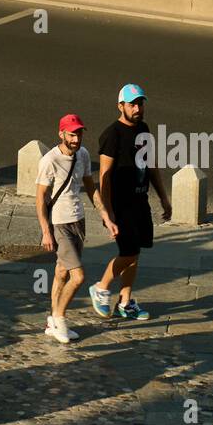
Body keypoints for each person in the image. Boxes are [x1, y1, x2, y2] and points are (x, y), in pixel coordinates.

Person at [89, 84, 173, 321]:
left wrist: (164, 198)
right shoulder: (112, 135)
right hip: (120, 204)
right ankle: (101, 287)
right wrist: (108, 213)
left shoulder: (144, 129)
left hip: (140, 201)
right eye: (132, 104)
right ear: (121, 106)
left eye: (140, 103)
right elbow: (104, 176)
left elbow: (150, 166)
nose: (137, 108)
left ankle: (125, 303)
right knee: (128, 252)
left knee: (135, 254)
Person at [36, 114, 103, 345]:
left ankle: (51, 321)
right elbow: (40, 198)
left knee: (62, 272)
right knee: (78, 276)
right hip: (59, 223)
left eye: (79, 133)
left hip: (78, 220)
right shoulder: (49, 161)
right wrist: (46, 231)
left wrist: (104, 214)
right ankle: (60, 318)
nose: (76, 138)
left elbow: (90, 186)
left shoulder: (82, 155)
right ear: (61, 133)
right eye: (72, 134)